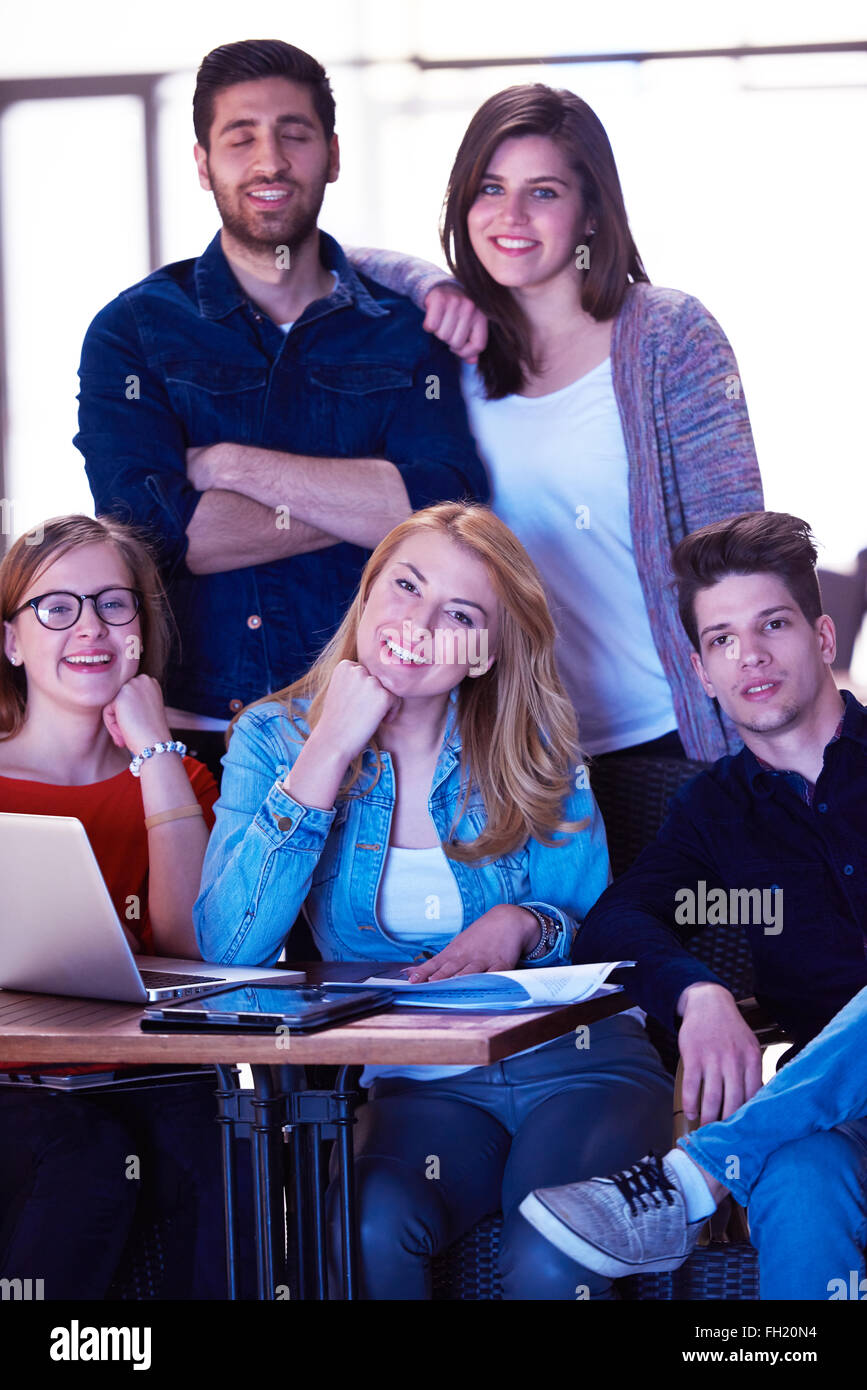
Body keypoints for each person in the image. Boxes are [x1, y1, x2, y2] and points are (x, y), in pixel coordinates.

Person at [194, 502, 674, 1300]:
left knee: (551, 1250)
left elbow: (597, 936)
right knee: (364, 1228)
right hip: (419, 1087)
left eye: (457, 614)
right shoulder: (272, 738)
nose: (416, 622)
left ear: (481, 653)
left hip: (577, 1068)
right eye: (404, 586)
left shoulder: (534, 748)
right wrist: (329, 748)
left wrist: (523, 922)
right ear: (367, 591)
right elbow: (227, 948)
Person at [74, 39, 487, 764]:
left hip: (379, 729)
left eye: (293, 134)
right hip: (193, 732)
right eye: (241, 138)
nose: (269, 161)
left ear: (331, 154)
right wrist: (368, 504)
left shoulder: (404, 334)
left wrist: (230, 464)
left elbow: (444, 511)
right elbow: (157, 535)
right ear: (203, 163)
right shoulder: (131, 331)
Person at [349, 83, 764, 762]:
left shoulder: (666, 336)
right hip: (505, 746)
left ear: (591, 214)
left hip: (665, 734)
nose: (510, 215)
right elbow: (341, 262)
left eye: (542, 192)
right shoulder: (450, 345)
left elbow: (738, 555)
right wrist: (431, 282)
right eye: (489, 188)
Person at [518, 510, 867, 1299]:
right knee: (799, 1172)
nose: (749, 655)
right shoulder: (713, 812)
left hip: (799, 1101)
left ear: (819, 637)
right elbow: (613, 924)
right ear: (702, 672)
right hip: (834, 1116)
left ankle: (688, 1182)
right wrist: (697, 992)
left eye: (771, 624)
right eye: (720, 640)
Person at [0, 514, 236, 1299]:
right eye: (56, 608)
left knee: (220, 1145)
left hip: (145, 1073)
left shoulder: (182, 781)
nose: (90, 628)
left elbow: (185, 944)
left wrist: (154, 751)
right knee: (84, 1156)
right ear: (11, 642)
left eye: (113, 603)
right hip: (16, 1086)